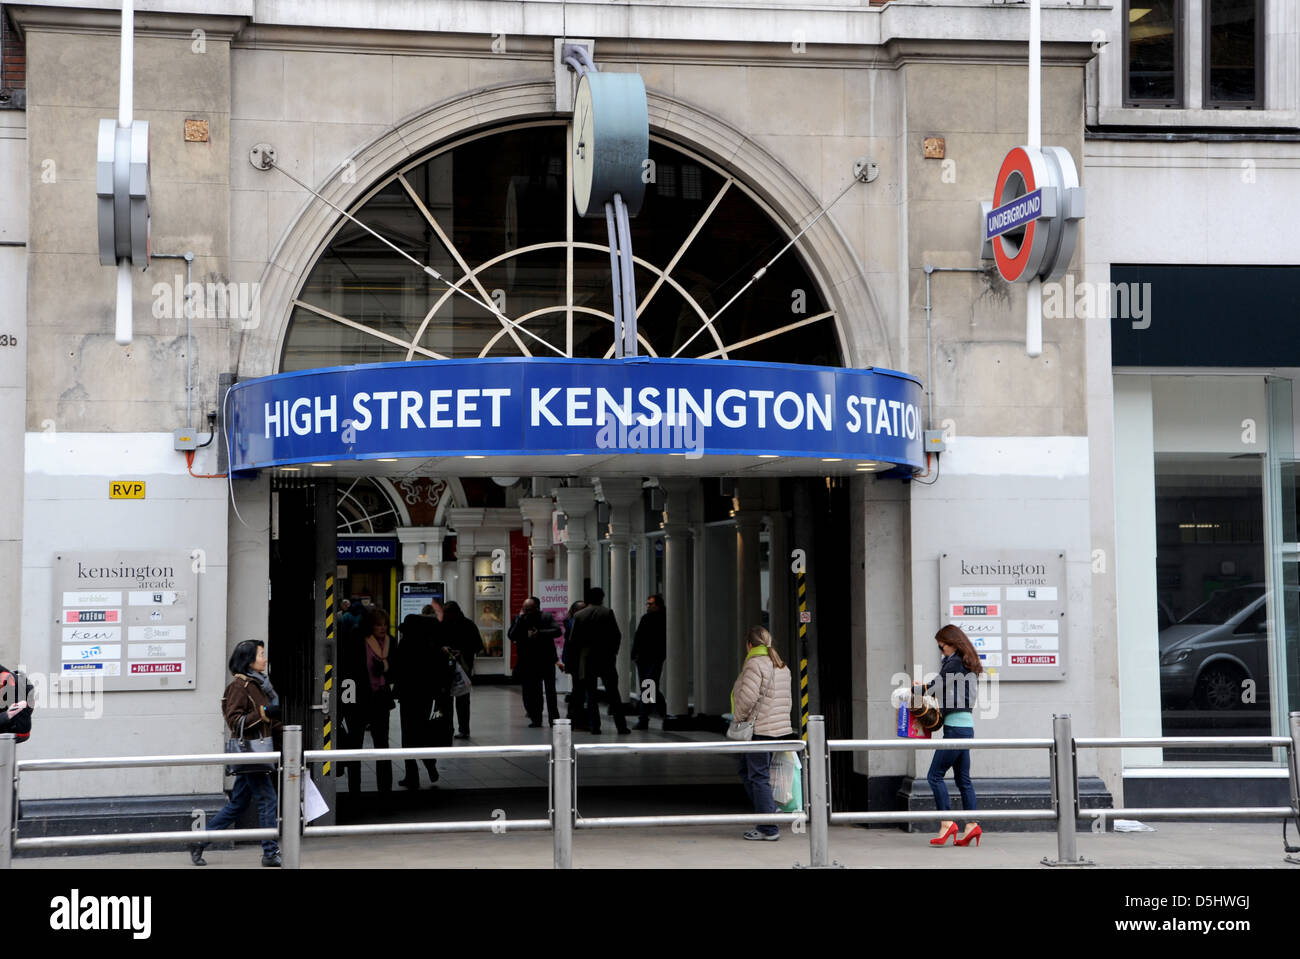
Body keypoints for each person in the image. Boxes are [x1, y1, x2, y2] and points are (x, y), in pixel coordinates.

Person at [190, 640, 283, 866]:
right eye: (261, 654)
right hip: (251, 753)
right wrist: (263, 712)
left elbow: (268, 719)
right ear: (249, 661)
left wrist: (287, 731)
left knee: (238, 804)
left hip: (258, 753)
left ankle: (199, 841)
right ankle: (270, 853)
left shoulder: (260, 685)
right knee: (268, 800)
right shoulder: (239, 687)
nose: (265, 658)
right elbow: (234, 720)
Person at [920, 623, 983, 847]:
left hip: (955, 728)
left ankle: (947, 822)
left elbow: (936, 686)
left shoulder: (955, 662)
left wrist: (913, 690)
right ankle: (972, 825)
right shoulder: (969, 662)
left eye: (941, 646)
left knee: (934, 776)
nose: (941, 651)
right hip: (966, 727)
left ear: (951, 643)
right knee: (962, 780)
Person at [730, 625, 793, 841]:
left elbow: (747, 699)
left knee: (757, 776)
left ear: (749, 644)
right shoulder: (782, 665)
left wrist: (738, 720)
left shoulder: (754, 665)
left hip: (759, 730)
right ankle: (768, 810)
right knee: (750, 771)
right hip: (778, 730)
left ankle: (768, 827)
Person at [339, 606, 396, 795]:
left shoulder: (391, 642)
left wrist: (386, 667)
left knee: (383, 747)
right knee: (356, 747)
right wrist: (346, 701)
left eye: (384, 625)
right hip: (358, 701)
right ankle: (354, 791)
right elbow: (347, 669)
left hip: (380, 699)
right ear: (370, 625)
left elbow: (396, 669)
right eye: (378, 624)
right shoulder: (357, 641)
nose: (382, 628)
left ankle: (385, 791)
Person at [392, 609, 451, 788]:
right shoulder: (433, 646)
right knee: (426, 734)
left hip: (409, 698)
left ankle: (412, 775)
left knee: (408, 737)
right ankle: (430, 765)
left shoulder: (406, 645)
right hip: (428, 697)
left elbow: (398, 670)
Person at [568, 588, 630, 734]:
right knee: (613, 693)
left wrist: (576, 661)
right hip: (605, 657)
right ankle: (621, 726)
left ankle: (595, 726)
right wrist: (613, 652)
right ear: (602, 598)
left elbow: (573, 641)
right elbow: (616, 635)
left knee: (591, 694)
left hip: (587, 659)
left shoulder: (578, 615)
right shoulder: (607, 612)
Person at [508, 597, 562, 727]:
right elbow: (511, 635)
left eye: (529, 610)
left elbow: (557, 631)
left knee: (550, 692)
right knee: (532, 692)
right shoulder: (519, 619)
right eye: (524, 609)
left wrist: (540, 633)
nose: (526, 612)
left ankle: (553, 719)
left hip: (546, 660)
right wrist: (520, 619)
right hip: (528, 662)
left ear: (537, 608)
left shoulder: (546, 617)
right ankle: (535, 718)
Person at [441, 600, 485, 738]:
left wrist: (462, 651)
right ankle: (456, 728)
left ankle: (457, 729)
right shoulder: (465, 624)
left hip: (461, 666)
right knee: (456, 700)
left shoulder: (466, 625)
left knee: (457, 699)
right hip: (454, 666)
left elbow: (477, 645)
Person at [631, 593, 667, 729]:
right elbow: (638, 636)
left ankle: (644, 717)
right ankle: (661, 712)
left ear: (658, 605)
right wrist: (634, 653)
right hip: (644, 658)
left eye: (651, 604)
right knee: (650, 687)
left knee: (648, 685)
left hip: (654, 658)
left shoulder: (663, 619)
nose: (648, 606)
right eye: (648, 603)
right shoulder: (646, 618)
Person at [560, 600, 587, 727]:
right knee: (579, 689)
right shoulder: (573, 623)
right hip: (576, 661)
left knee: (578, 689)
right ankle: (575, 715)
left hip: (575, 660)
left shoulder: (572, 622)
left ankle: (574, 715)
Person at [0, 665, 34, 744]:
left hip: (10, 731)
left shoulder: (6, 678)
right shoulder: (14, 677)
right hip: (22, 729)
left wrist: (7, 715)